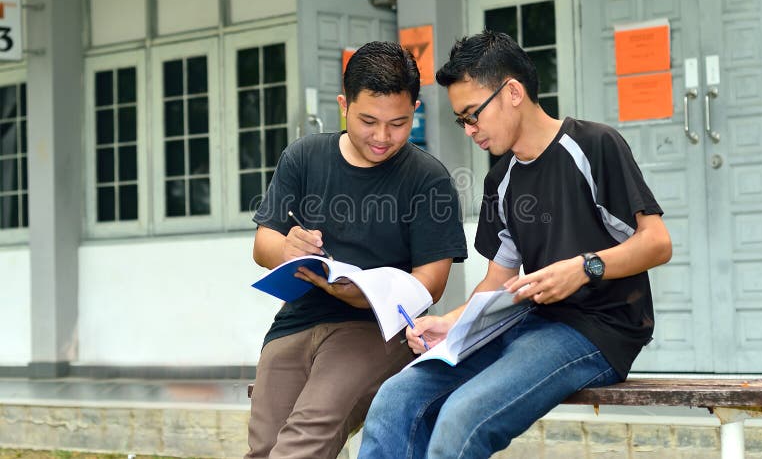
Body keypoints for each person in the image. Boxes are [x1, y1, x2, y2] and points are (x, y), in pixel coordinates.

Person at [357, 30, 673, 459]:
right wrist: (453, 322)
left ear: (512, 92)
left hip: (599, 331)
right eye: (461, 120)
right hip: (525, 325)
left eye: (473, 115)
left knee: (460, 417)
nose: (469, 130)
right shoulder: (501, 179)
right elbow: (499, 278)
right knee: (395, 399)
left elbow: (657, 242)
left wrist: (584, 267)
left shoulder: (594, 145)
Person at [245, 41, 468, 459]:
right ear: (343, 105)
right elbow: (263, 244)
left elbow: (432, 283)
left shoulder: (427, 179)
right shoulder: (304, 157)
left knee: (305, 437)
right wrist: (288, 248)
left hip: (376, 330)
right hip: (296, 322)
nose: (383, 137)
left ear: (415, 109)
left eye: (398, 123)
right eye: (368, 120)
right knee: (266, 448)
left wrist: (364, 292)